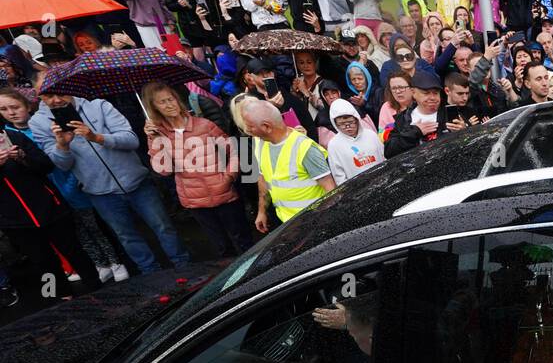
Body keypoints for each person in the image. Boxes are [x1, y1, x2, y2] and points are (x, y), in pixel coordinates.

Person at [30, 91, 190, 273]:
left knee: (163, 226)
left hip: (136, 181)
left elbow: (131, 140)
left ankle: (183, 265)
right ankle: (150, 272)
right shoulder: (38, 123)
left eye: (61, 93)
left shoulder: (99, 105)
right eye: (48, 95)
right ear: (38, 96)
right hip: (100, 192)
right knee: (126, 236)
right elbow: (62, 165)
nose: (56, 100)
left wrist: (96, 137)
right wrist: (63, 145)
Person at [0, 87, 123, 282]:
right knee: (77, 232)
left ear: (27, 106)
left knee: (93, 225)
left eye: (15, 107)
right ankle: (99, 264)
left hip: (69, 180)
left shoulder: (43, 124)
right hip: (45, 193)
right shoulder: (6, 135)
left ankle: (115, 261)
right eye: (4, 110)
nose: (11, 113)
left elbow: (60, 156)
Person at [141, 81, 253, 257]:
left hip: (225, 195)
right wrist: (154, 140)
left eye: (171, 99)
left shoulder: (204, 125)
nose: (169, 105)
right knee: (222, 248)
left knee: (245, 241)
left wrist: (229, 177)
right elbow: (164, 171)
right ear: (154, 108)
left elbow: (233, 152)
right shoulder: (159, 135)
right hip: (196, 201)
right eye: (162, 102)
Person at [0, 123, 102, 299]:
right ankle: (59, 297)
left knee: (74, 250)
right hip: (15, 221)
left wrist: (23, 157)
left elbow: (46, 166)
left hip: (49, 207)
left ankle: (97, 286)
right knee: (42, 262)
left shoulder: (15, 136)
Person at [244, 99, 335, 231]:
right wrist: (262, 211)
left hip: (315, 224)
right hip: (289, 225)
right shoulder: (260, 144)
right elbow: (264, 179)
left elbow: (330, 190)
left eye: (250, 126)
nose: (247, 130)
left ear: (266, 127)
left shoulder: (304, 148)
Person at [384, 70, 443, 156]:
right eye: (426, 93)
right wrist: (415, 132)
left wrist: (463, 130)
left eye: (436, 93)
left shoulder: (449, 112)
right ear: (413, 93)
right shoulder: (403, 118)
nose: (432, 97)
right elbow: (389, 152)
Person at [326, 99, 385, 184]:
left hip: (382, 181)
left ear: (357, 119)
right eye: (342, 124)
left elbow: (383, 157)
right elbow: (339, 175)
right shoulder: (334, 145)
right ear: (335, 124)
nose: (347, 127)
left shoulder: (371, 135)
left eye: (350, 122)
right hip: (357, 190)